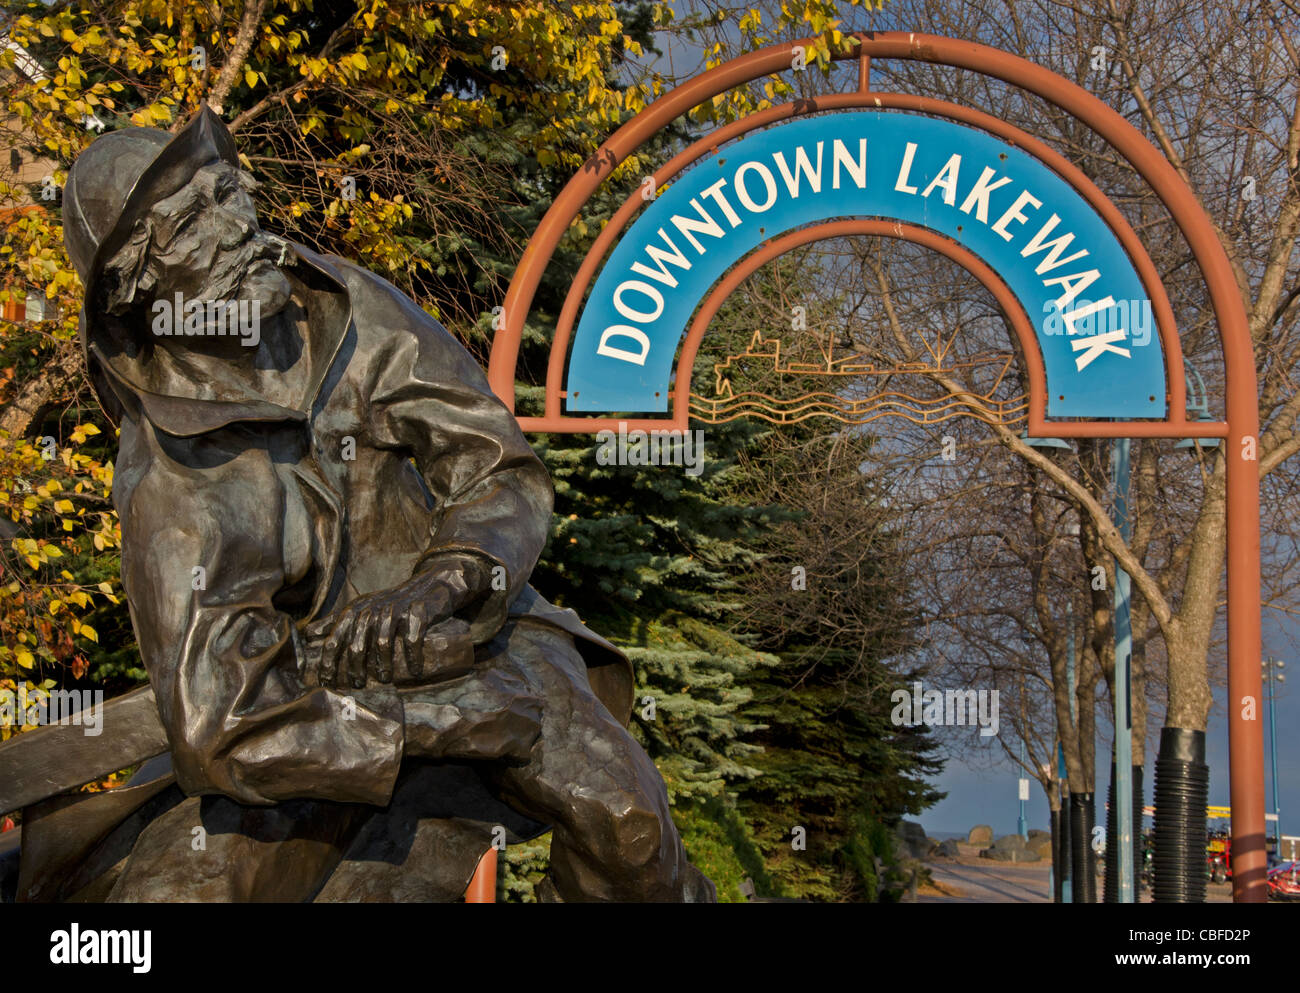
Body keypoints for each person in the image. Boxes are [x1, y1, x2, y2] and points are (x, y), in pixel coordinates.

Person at [34, 105, 713, 902]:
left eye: (228, 191)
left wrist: (445, 581)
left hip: (482, 640)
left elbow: (499, 467)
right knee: (170, 897)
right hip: (320, 718)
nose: (239, 225)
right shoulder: (170, 481)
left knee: (625, 819)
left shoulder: (350, 310)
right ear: (137, 289)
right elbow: (221, 728)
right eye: (194, 221)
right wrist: (436, 723)